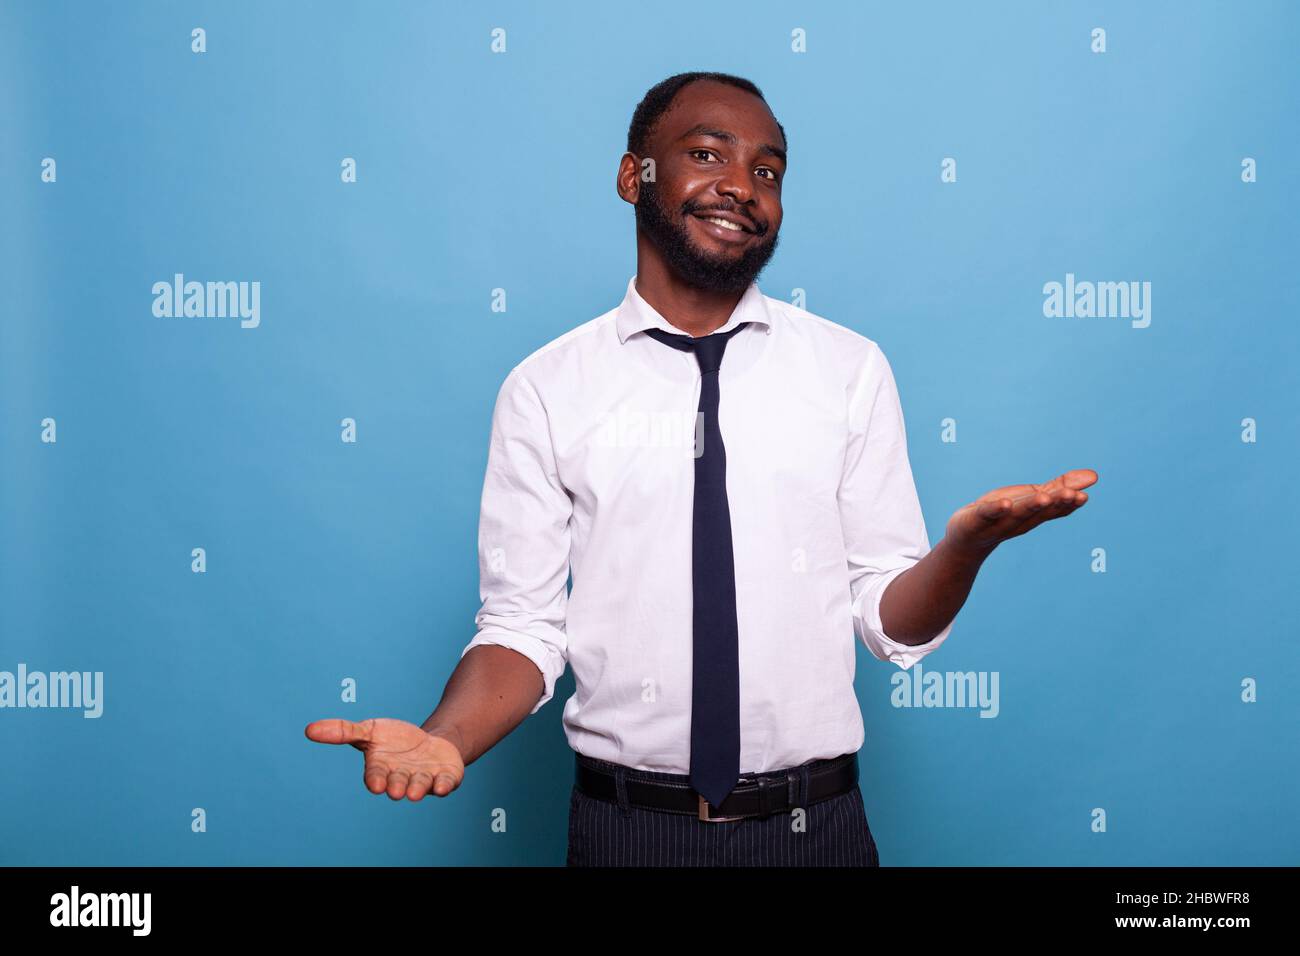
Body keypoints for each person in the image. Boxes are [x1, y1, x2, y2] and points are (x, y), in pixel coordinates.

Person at [306, 71, 1097, 866]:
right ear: (633, 177)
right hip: (626, 834)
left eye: (767, 171)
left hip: (815, 832)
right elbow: (523, 626)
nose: (742, 187)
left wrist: (965, 547)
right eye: (707, 154)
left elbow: (891, 625)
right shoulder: (546, 389)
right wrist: (446, 739)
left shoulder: (849, 370)